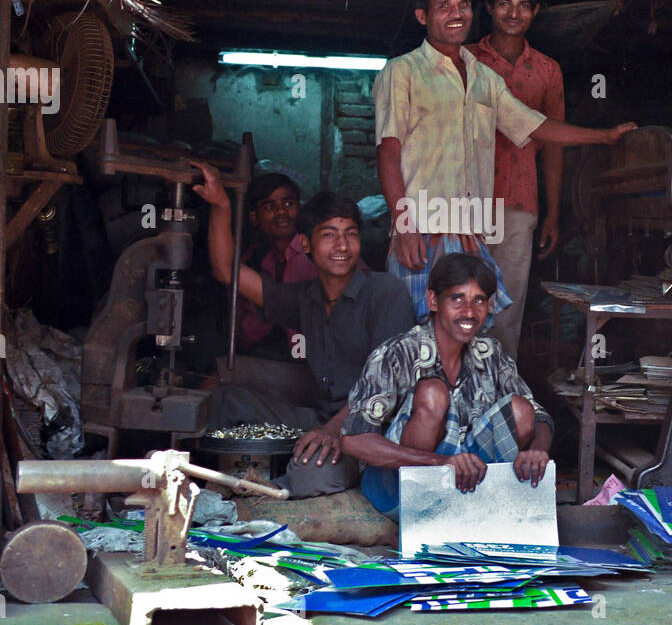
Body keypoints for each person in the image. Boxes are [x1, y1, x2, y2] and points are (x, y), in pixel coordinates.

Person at [375, 0, 636, 326]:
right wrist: (403, 226)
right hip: (421, 230)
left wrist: (603, 137)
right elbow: (388, 151)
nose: (457, 14)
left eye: (463, 4)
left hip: (469, 234)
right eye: (444, 6)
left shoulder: (484, 77)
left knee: (471, 341)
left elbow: (536, 125)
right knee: (412, 340)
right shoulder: (401, 72)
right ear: (423, 15)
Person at [193, 162, 415, 497]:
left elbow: (383, 388)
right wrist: (222, 205)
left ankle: (298, 479)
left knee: (311, 477)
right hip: (321, 418)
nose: (342, 245)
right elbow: (227, 271)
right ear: (306, 244)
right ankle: (253, 474)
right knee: (226, 402)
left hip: (370, 432)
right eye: (329, 235)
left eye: (350, 234)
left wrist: (331, 431)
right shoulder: (305, 298)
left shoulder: (386, 293)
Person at [340, 253, 554, 519]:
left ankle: (467, 510)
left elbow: (540, 415)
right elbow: (353, 441)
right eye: (457, 298)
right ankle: (422, 515)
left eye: (479, 300)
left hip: (466, 482)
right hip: (399, 488)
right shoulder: (399, 353)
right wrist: (442, 464)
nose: (469, 311)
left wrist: (537, 451)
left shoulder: (490, 353)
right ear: (433, 301)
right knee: (433, 393)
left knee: (521, 411)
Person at [467, 0, 565, 359]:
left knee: (506, 308)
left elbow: (555, 143)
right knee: (459, 300)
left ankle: (496, 400)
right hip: (464, 203)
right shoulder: (465, 60)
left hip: (519, 205)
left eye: (524, 5)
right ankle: (448, 398)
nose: (513, 13)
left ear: (536, 11)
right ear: (488, 7)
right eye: (504, 3)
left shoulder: (547, 70)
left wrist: (553, 211)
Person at [236, 173, 317, 358]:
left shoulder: (318, 254)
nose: (281, 212)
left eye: (288, 204)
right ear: (254, 218)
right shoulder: (268, 265)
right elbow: (245, 340)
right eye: (270, 206)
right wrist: (236, 284)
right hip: (300, 363)